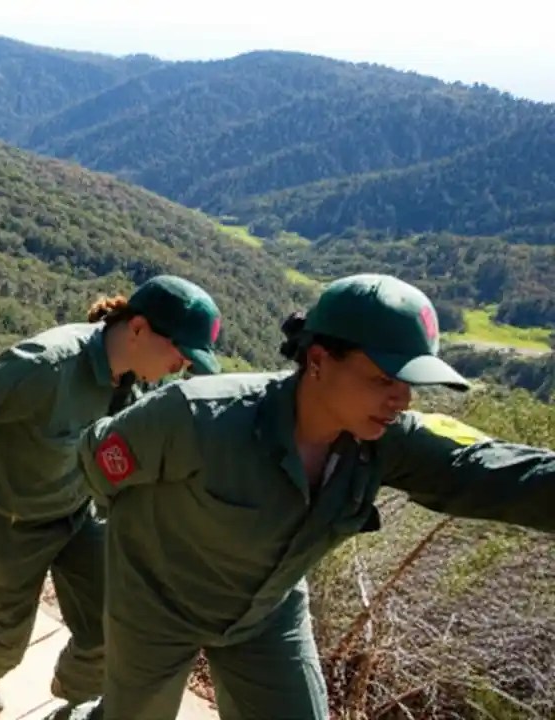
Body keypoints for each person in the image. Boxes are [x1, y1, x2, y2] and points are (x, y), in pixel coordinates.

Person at [48, 273, 555, 720]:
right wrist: (142, 537)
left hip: (265, 613)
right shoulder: (196, 417)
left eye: (409, 384)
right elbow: (98, 463)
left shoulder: (384, 438)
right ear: (318, 360)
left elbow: (485, 470)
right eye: (383, 379)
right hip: (157, 603)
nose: (401, 400)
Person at [0, 276, 224, 715]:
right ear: (138, 329)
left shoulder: (133, 379)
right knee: (6, 635)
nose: (182, 367)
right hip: (11, 519)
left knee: (112, 623)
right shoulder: (44, 367)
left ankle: (75, 701)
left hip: (77, 511)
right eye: (180, 353)